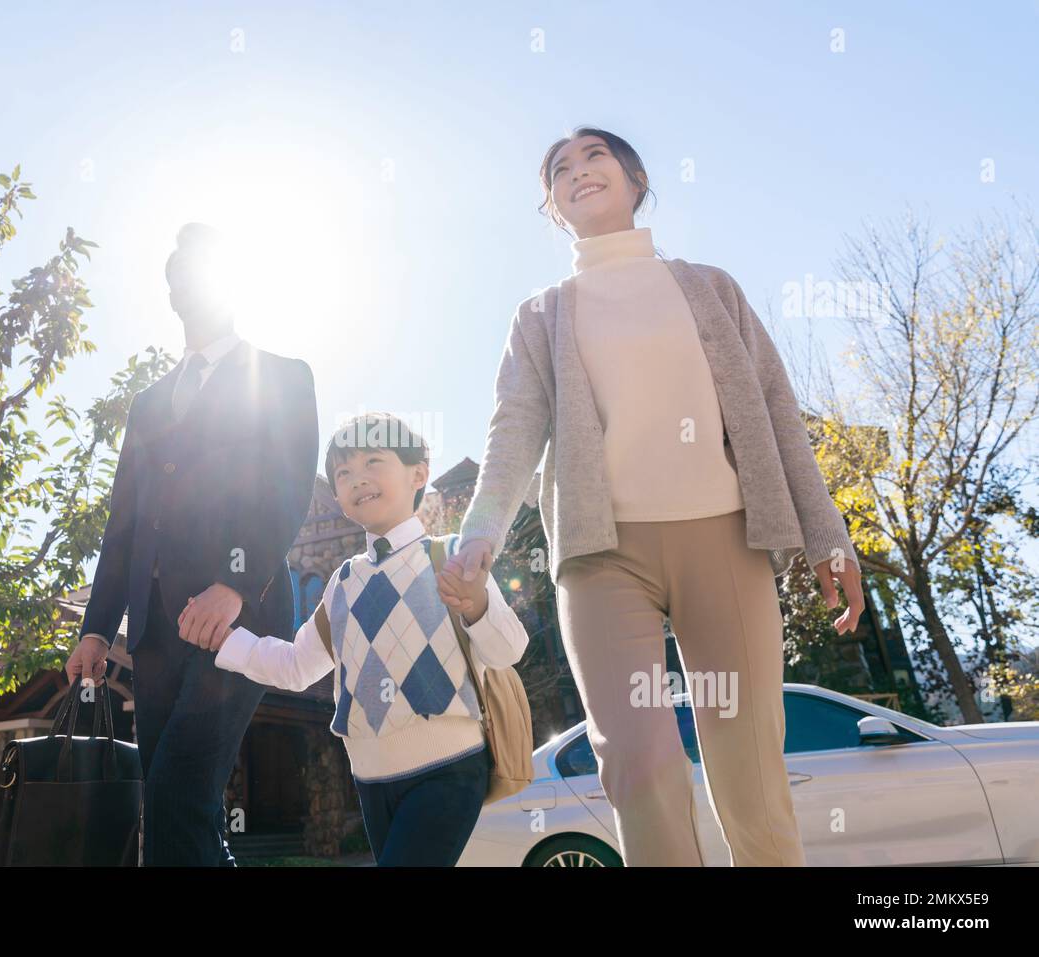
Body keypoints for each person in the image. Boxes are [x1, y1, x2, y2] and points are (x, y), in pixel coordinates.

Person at [439, 127, 865, 866]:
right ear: (553, 209)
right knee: (639, 764)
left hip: (725, 541)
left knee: (751, 765)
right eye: (560, 170)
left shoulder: (709, 287)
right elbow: (514, 428)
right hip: (603, 560)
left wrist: (828, 534)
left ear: (635, 179)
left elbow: (776, 408)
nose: (578, 171)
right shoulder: (542, 314)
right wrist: (481, 529)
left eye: (594, 156)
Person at [65, 222, 319, 865]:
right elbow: (124, 522)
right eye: (181, 276)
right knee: (180, 806)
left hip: (237, 625)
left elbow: (287, 492)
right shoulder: (147, 403)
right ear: (172, 293)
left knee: (180, 791)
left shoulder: (283, 377)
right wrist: (97, 627)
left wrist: (236, 583)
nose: (192, 286)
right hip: (153, 635)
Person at [183, 412, 530, 865]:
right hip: (369, 781)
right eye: (343, 472)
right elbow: (297, 666)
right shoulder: (342, 583)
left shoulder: (452, 556)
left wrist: (476, 605)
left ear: (418, 473)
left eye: (372, 462)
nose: (356, 479)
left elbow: (509, 650)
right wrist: (226, 641)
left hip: (448, 770)